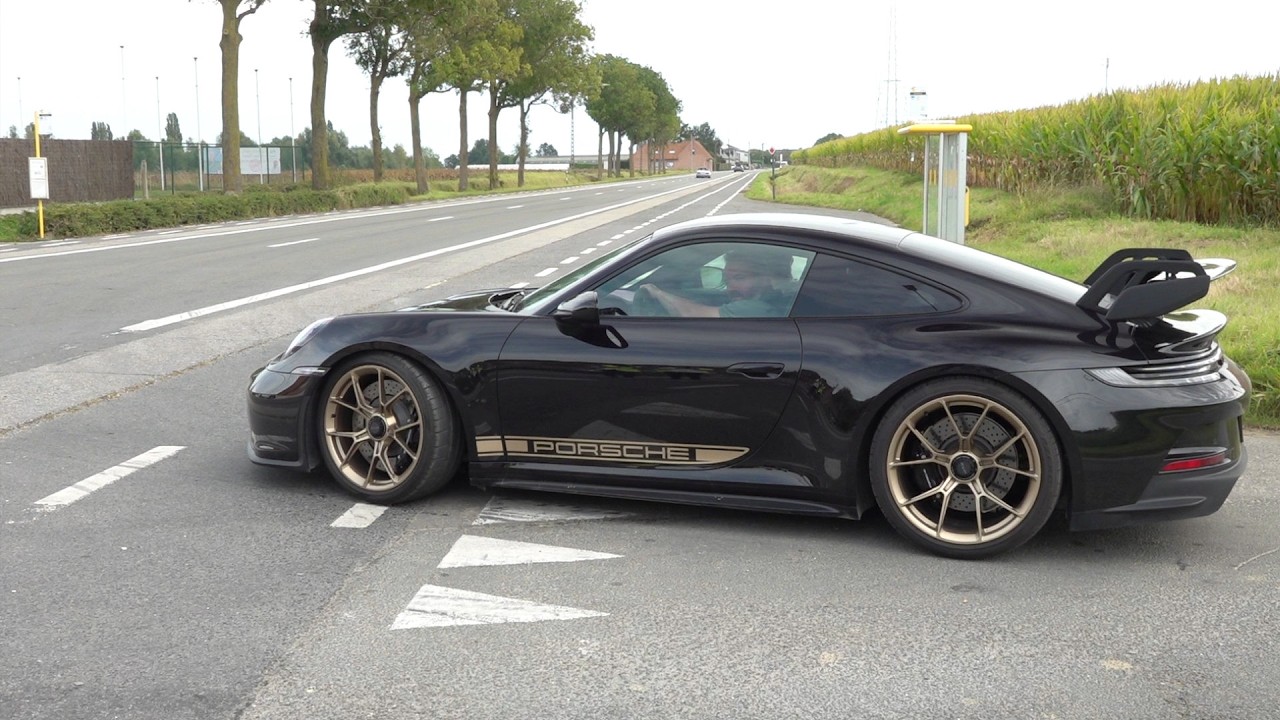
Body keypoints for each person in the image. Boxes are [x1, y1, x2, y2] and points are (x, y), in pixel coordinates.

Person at [639, 247, 793, 317]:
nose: (730, 288)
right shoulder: (779, 300)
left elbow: (690, 313)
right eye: (727, 280)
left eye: (739, 278)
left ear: (765, 278)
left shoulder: (754, 309)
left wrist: (657, 293)